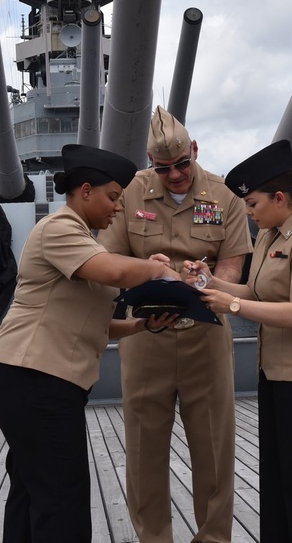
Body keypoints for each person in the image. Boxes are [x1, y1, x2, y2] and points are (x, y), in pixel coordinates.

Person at [0, 144, 182, 542]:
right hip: (34, 378)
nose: (118, 208)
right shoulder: (60, 228)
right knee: (62, 496)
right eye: (112, 197)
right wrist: (159, 269)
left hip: (30, 378)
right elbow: (113, 270)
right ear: (85, 191)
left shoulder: (83, 241)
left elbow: (96, 326)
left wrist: (142, 325)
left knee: (31, 488)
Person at [96, 106, 251, 543]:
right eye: (164, 169)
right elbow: (111, 260)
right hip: (148, 338)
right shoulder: (131, 194)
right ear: (151, 164)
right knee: (144, 452)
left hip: (206, 335)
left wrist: (209, 279)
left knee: (214, 453)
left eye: (182, 164)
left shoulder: (226, 196)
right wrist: (147, 268)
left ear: (195, 151)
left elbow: (235, 265)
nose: (176, 175)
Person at [187, 139, 292, 542]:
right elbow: (257, 294)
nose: (250, 214)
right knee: (277, 473)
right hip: (275, 372)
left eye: (254, 205)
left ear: (280, 197)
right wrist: (210, 284)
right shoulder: (270, 236)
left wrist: (231, 307)